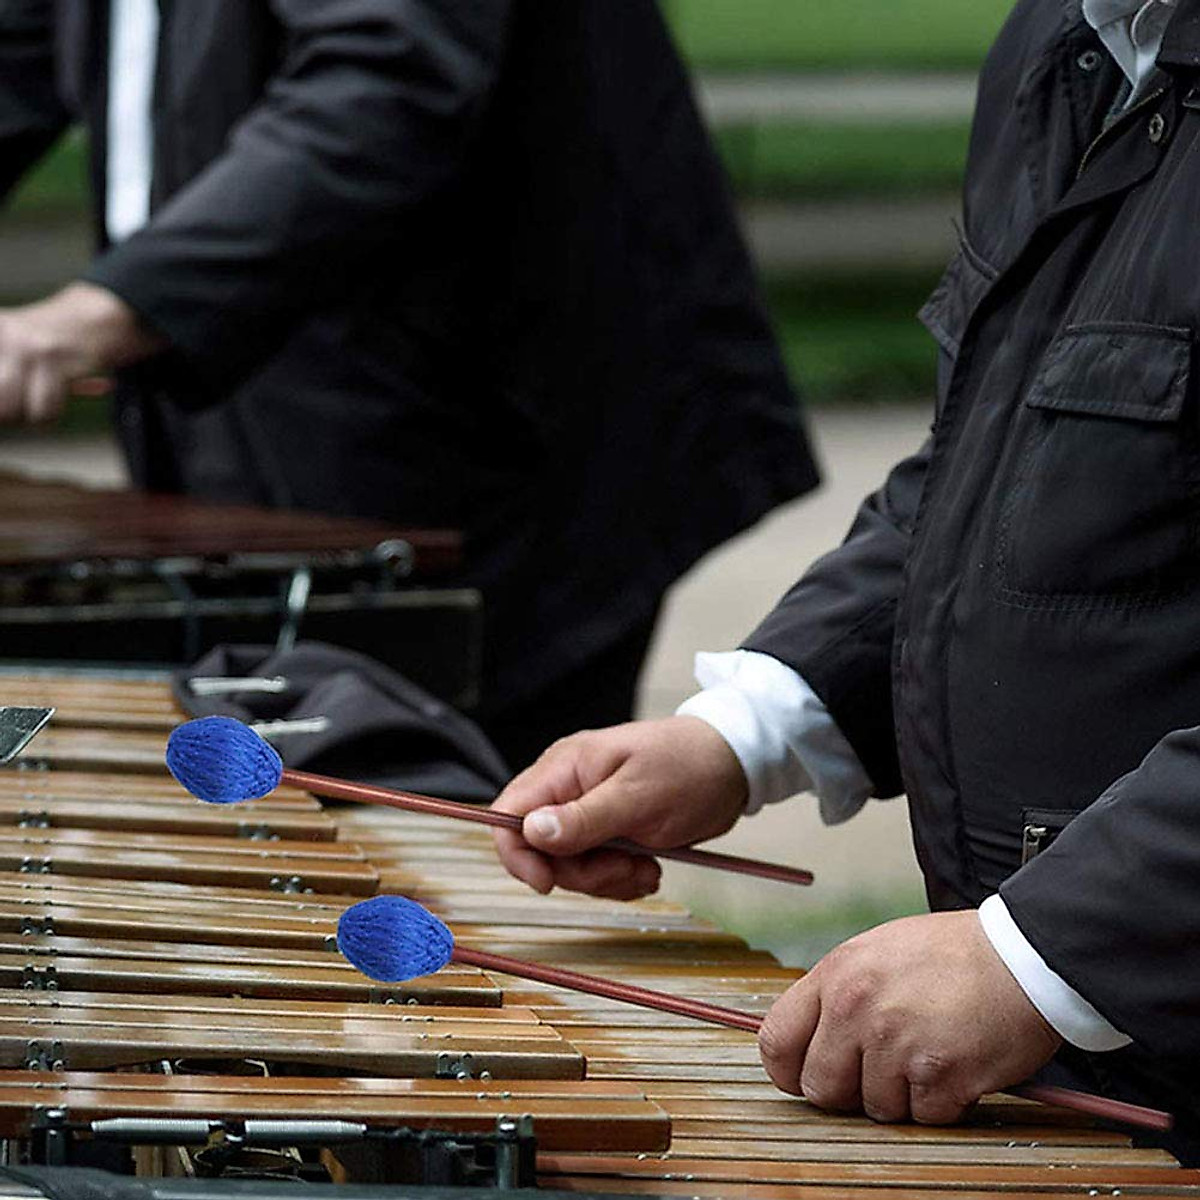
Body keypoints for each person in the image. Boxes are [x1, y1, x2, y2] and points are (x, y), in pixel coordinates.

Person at [492, 0, 1200, 1163]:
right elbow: (994, 467)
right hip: (1070, 1074)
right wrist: (749, 728)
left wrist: (1043, 954)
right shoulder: (1061, 42)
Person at [0, 0, 817, 771]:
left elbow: (387, 73)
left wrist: (97, 314)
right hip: (269, 409)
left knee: (459, 828)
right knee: (260, 794)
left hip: (494, 430)